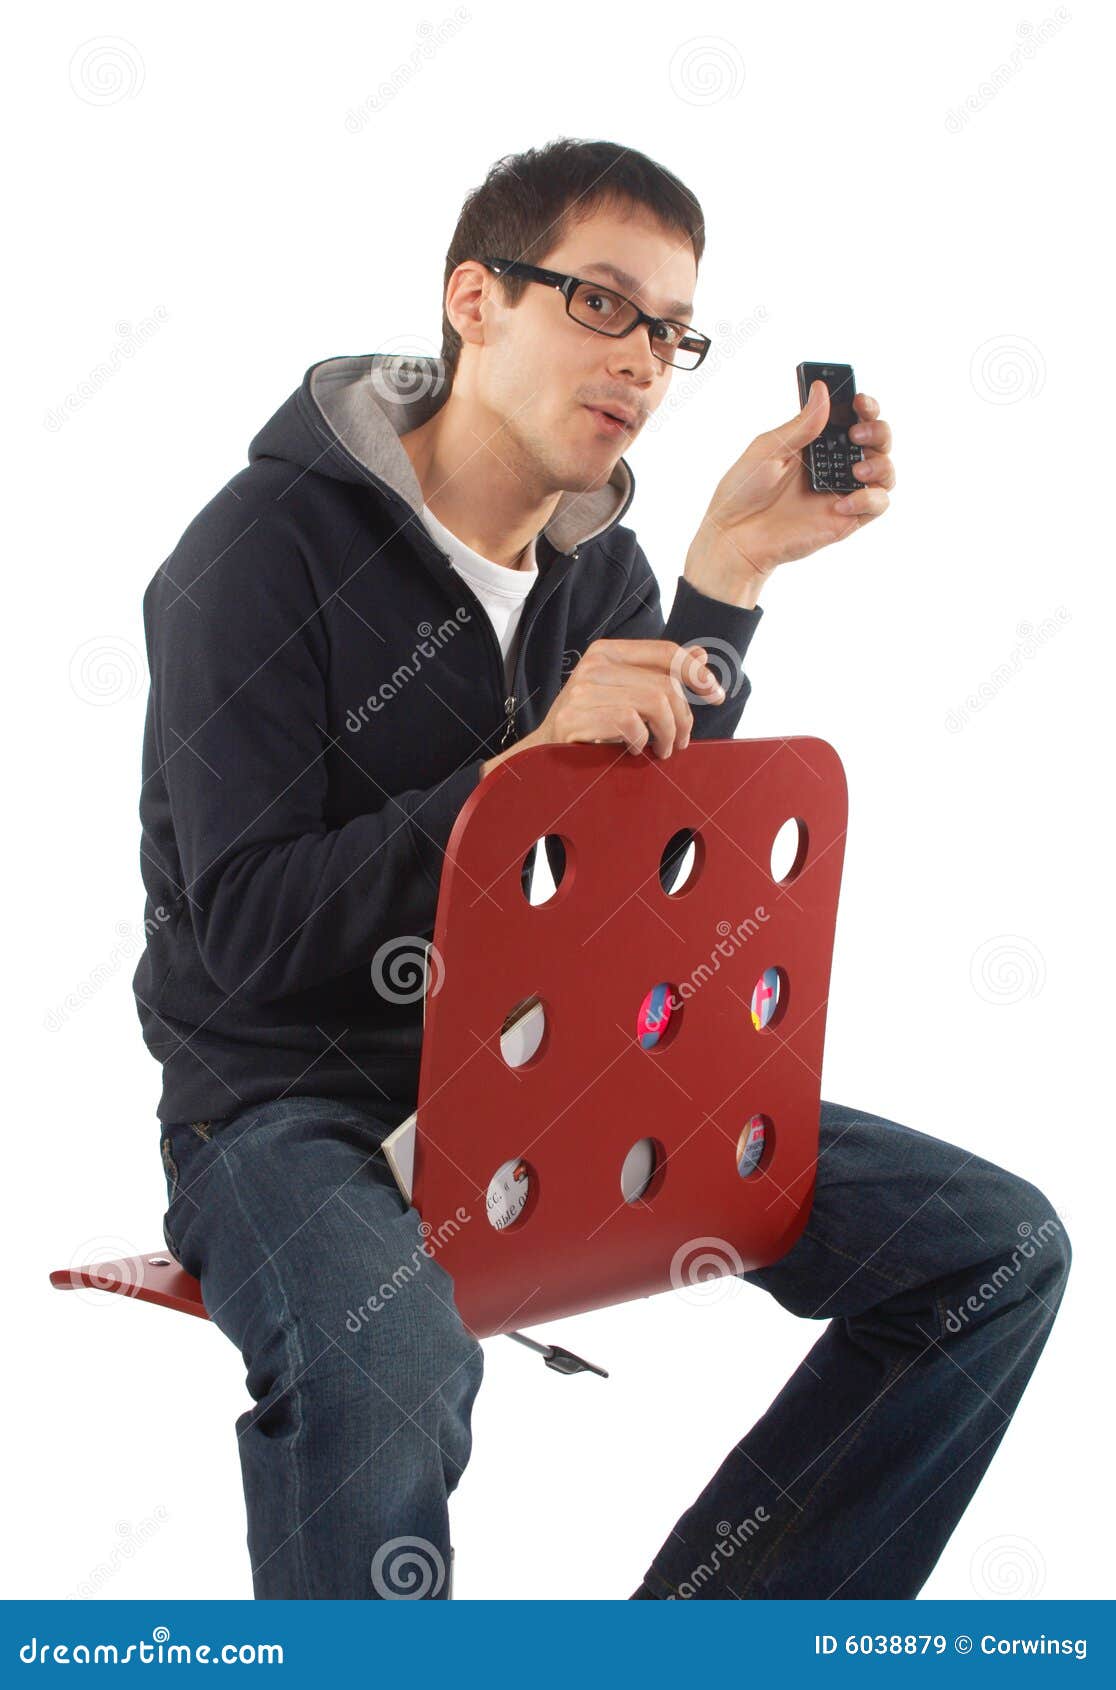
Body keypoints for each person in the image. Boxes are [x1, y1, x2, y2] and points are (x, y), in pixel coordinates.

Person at [138, 138, 1071, 1600]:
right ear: (474, 301)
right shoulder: (251, 556)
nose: (644, 358)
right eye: (601, 302)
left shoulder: (602, 575)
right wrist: (509, 789)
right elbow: (251, 932)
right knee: (390, 1359)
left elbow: (658, 882)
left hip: (554, 1069)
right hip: (291, 1109)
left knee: (995, 1250)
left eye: (673, 331)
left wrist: (727, 583)